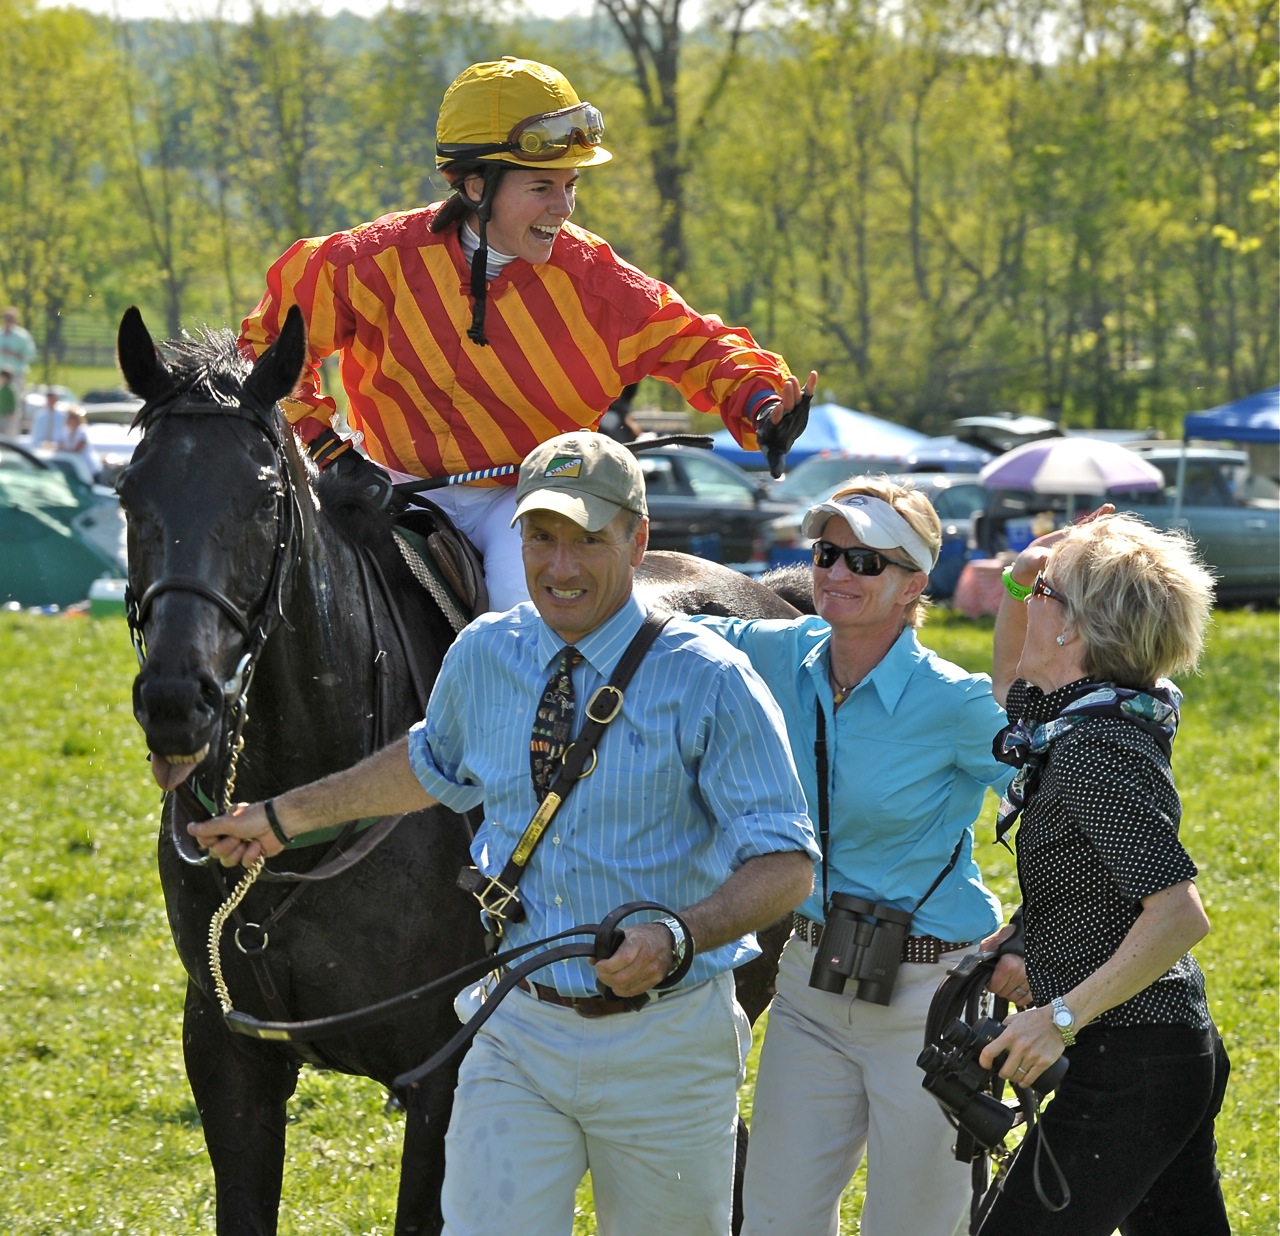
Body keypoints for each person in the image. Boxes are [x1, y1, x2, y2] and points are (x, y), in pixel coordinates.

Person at [189, 429, 819, 1234]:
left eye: (587, 540)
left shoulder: (712, 678)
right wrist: (283, 818)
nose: (560, 566)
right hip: (513, 1030)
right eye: (542, 537)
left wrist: (678, 934)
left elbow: (787, 863)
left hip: (665, 1041)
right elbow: (427, 763)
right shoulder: (488, 650)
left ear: (638, 541)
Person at [239, 56, 816, 611]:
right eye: (542, 188)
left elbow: (700, 345)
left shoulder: (601, 284)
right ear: (475, 187)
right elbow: (263, 351)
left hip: (526, 498)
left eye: (570, 186)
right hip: (384, 482)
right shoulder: (363, 262)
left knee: (519, 626)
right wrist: (327, 451)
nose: (563, 207)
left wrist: (762, 403)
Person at [688, 476, 1014, 1236]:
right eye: (827, 553)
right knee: (774, 1220)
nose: (836, 572)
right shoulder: (778, 652)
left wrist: (1036, 933)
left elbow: (1063, 809)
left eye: (865, 561)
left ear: (913, 584)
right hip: (809, 977)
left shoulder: (956, 702)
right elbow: (656, 629)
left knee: (915, 1225)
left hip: (931, 995)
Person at [973, 511, 1229, 1236]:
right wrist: (1025, 577)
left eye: (1043, 594)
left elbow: (1178, 915)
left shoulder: (1094, 749)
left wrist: (1058, 1018)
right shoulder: (1074, 714)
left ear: (1073, 630)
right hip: (1155, 1051)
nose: (1028, 599)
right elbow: (1005, 678)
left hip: (1135, 1060)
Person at [0, 307, 36, 437]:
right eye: (6, 318)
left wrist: (12, 353)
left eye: (10, 318)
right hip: (1, 375)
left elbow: (30, 356)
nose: (8, 321)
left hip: (15, 375)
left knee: (14, 407)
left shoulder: (22, 336)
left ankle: (12, 438)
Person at [55, 406, 101, 481]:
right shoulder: (66, 432)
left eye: (72, 418)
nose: (70, 420)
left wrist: (61, 449)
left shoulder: (82, 431)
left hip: (89, 468)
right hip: (78, 469)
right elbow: (60, 445)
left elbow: (76, 450)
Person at [0, 370, 14, 439]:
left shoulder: (10, 390)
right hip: (0, 413)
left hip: (6, 415)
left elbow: (13, 402)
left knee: (5, 433)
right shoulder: (1, 389)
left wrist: (12, 411)